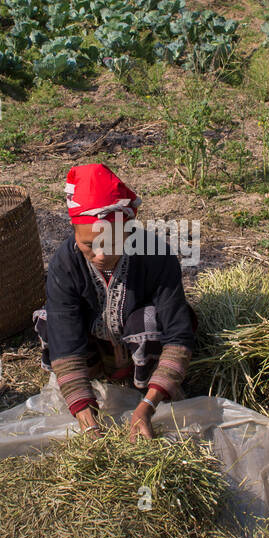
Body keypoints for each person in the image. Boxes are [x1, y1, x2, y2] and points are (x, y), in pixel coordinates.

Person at [33, 164, 196, 440]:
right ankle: (93, 382)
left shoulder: (156, 256)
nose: (98, 255)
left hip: (137, 353)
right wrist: (87, 421)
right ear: (75, 233)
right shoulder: (66, 263)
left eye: (109, 243)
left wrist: (146, 408)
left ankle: (145, 386)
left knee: (148, 319)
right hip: (95, 349)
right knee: (51, 321)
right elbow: (65, 338)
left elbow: (177, 335)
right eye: (88, 244)